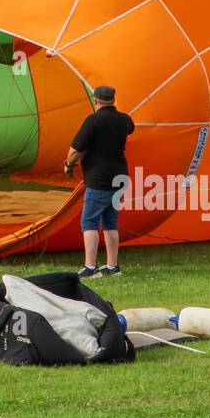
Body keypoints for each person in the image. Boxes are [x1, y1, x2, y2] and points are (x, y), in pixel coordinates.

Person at [64, 84, 134, 279]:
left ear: (95, 100)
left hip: (99, 179)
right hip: (120, 177)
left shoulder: (93, 121)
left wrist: (69, 164)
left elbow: (75, 150)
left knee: (89, 222)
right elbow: (131, 128)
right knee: (111, 223)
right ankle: (112, 267)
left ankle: (90, 267)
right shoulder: (124, 120)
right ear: (113, 100)